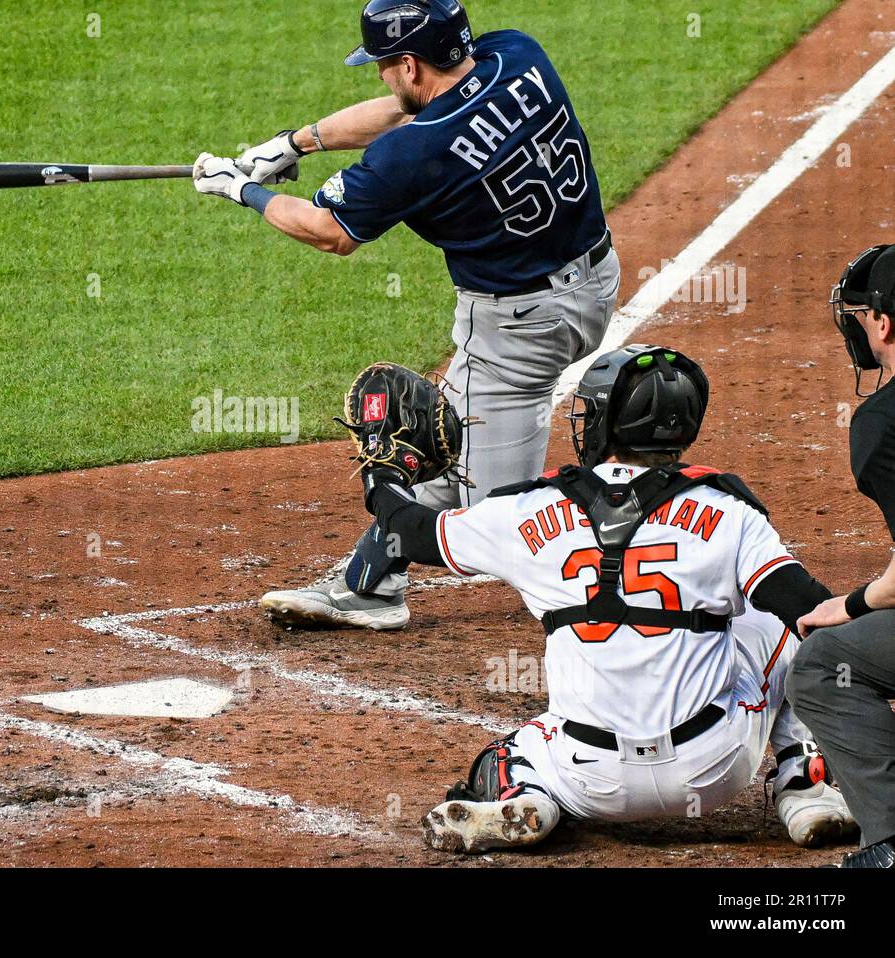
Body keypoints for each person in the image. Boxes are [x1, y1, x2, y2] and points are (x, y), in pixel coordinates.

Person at [192, 0, 618, 630]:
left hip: (521, 330)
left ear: (410, 65)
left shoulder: (415, 157)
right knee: (447, 436)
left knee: (489, 515)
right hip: (596, 282)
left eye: (388, 67)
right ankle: (368, 580)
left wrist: (240, 189)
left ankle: (637, 564)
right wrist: (293, 144)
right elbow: (400, 111)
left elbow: (329, 231)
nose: (387, 79)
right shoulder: (518, 57)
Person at [348, 346, 854, 853]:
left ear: (607, 423)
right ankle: (805, 783)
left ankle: (532, 794)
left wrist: (383, 473)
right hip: (713, 768)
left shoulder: (527, 509)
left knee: (518, 747)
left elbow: (412, 532)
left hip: (589, 777)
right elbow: (815, 614)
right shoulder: (731, 512)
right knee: (778, 619)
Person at [787, 245, 895, 869]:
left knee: (824, 664)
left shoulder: (884, 425)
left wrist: (853, 604)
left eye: (859, 316)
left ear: (882, 323)